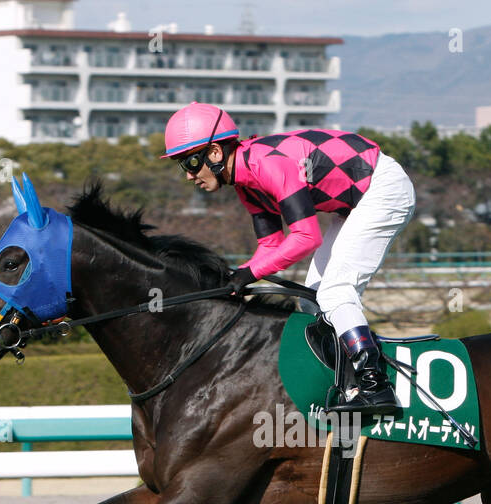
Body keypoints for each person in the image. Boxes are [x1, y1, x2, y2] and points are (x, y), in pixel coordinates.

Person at [161, 102, 414, 415]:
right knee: (312, 300)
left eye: (190, 162)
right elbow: (271, 245)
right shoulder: (245, 181)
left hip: (382, 189)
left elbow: (307, 237)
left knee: (335, 293)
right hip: (354, 202)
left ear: (214, 152)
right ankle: (348, 385)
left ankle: (376, 388)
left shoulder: (266, 164)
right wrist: (234, 276)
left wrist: (249, 274)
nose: (188, 175)